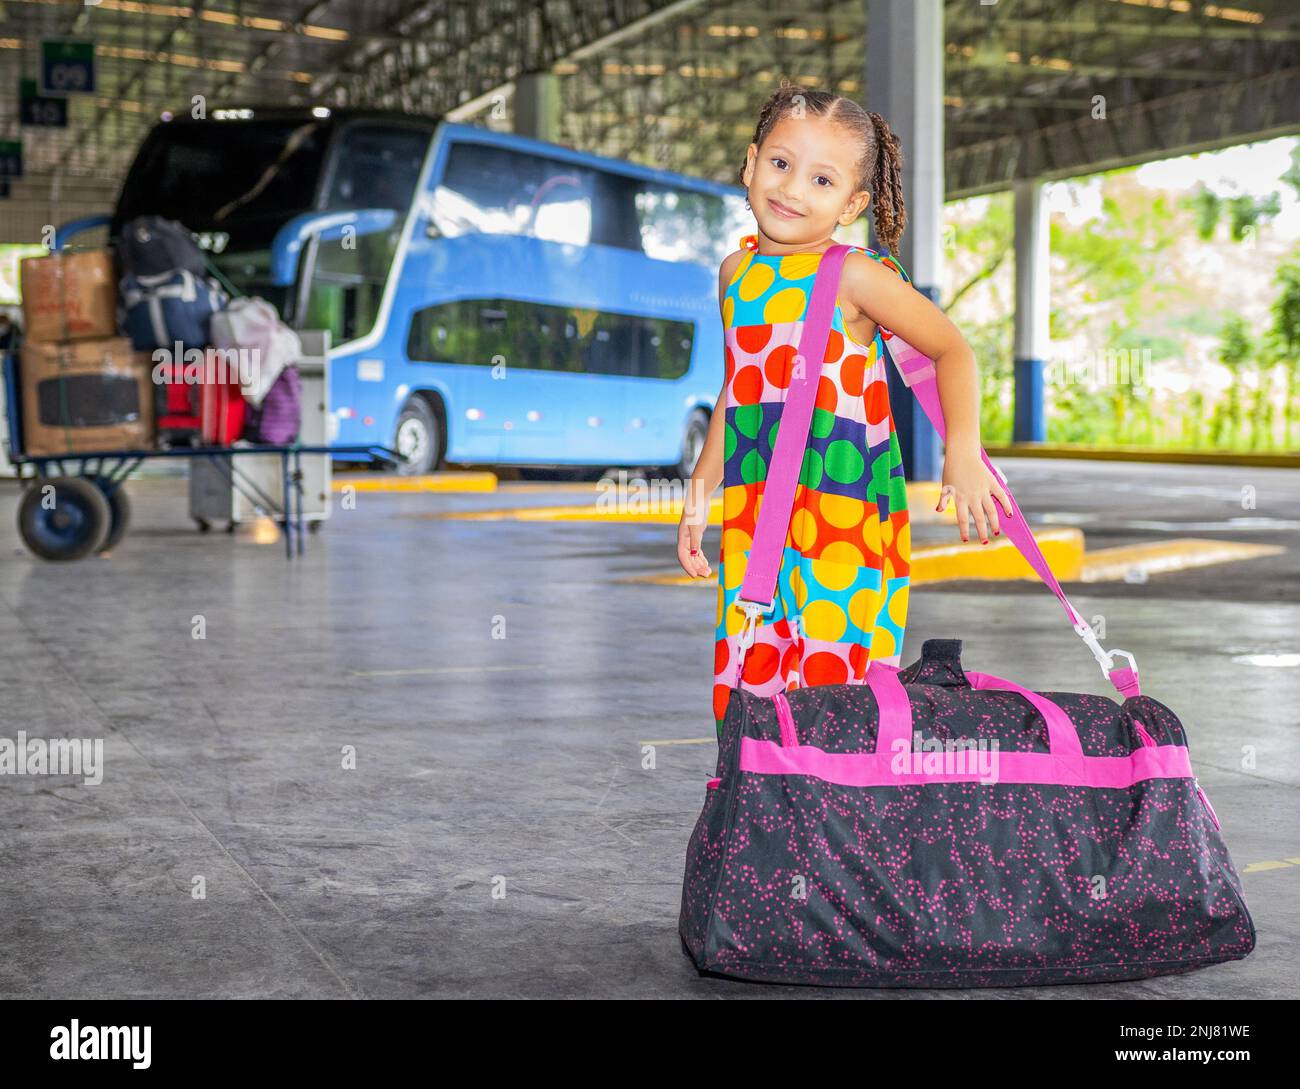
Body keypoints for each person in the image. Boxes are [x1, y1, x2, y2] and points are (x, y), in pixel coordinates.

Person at [677, 81, 1011, 737]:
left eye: (821, 179)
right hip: (756, 515)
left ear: (852, 203)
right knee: (746, 681)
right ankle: (763, 813)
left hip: (845, 517)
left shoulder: (854, 278)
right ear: (749, 165)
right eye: (779, 164)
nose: (792, 189)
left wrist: (964, 453)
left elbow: (952, 351)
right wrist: (698, 494)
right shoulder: (733, 275)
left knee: (834, 686)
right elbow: (737, 389)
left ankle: (839, 823)